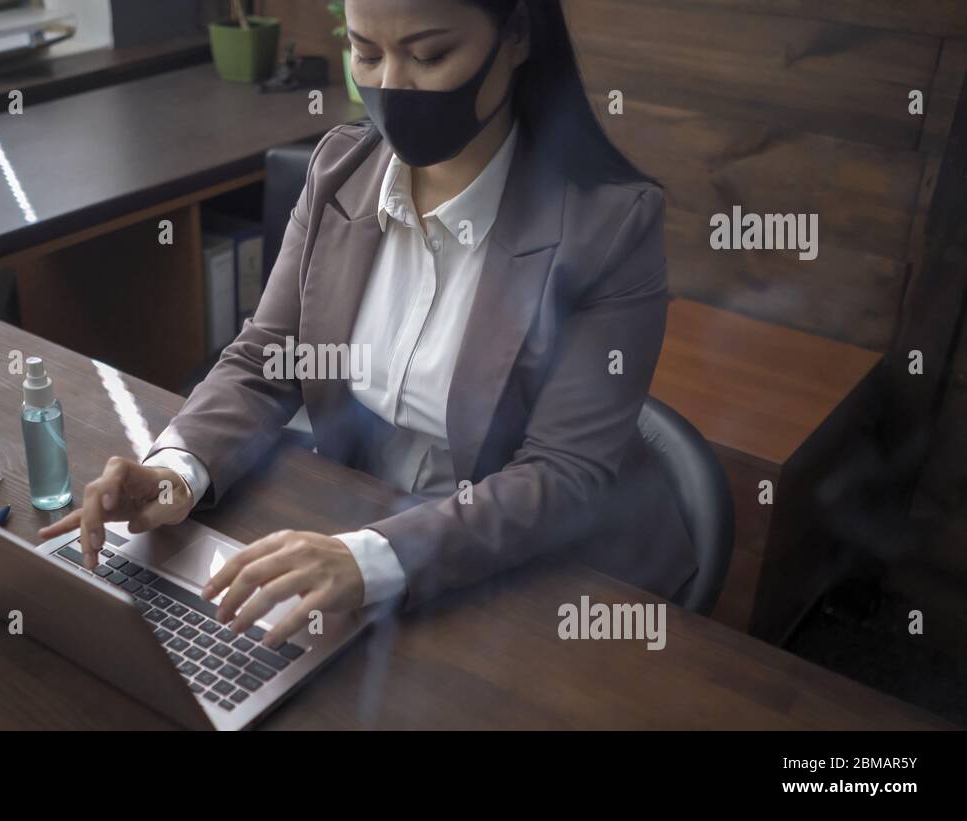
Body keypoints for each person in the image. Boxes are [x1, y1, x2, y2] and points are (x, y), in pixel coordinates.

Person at [42, 0, 697, 646]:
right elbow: (265, 359)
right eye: (366, 52)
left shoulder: (609, 225)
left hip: (552, 583)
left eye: (429, 54)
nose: (391, 85)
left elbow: (562, 477)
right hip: (364, 545)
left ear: (519, 34)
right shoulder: (341, 172)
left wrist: (372, 558)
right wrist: (176, 471)